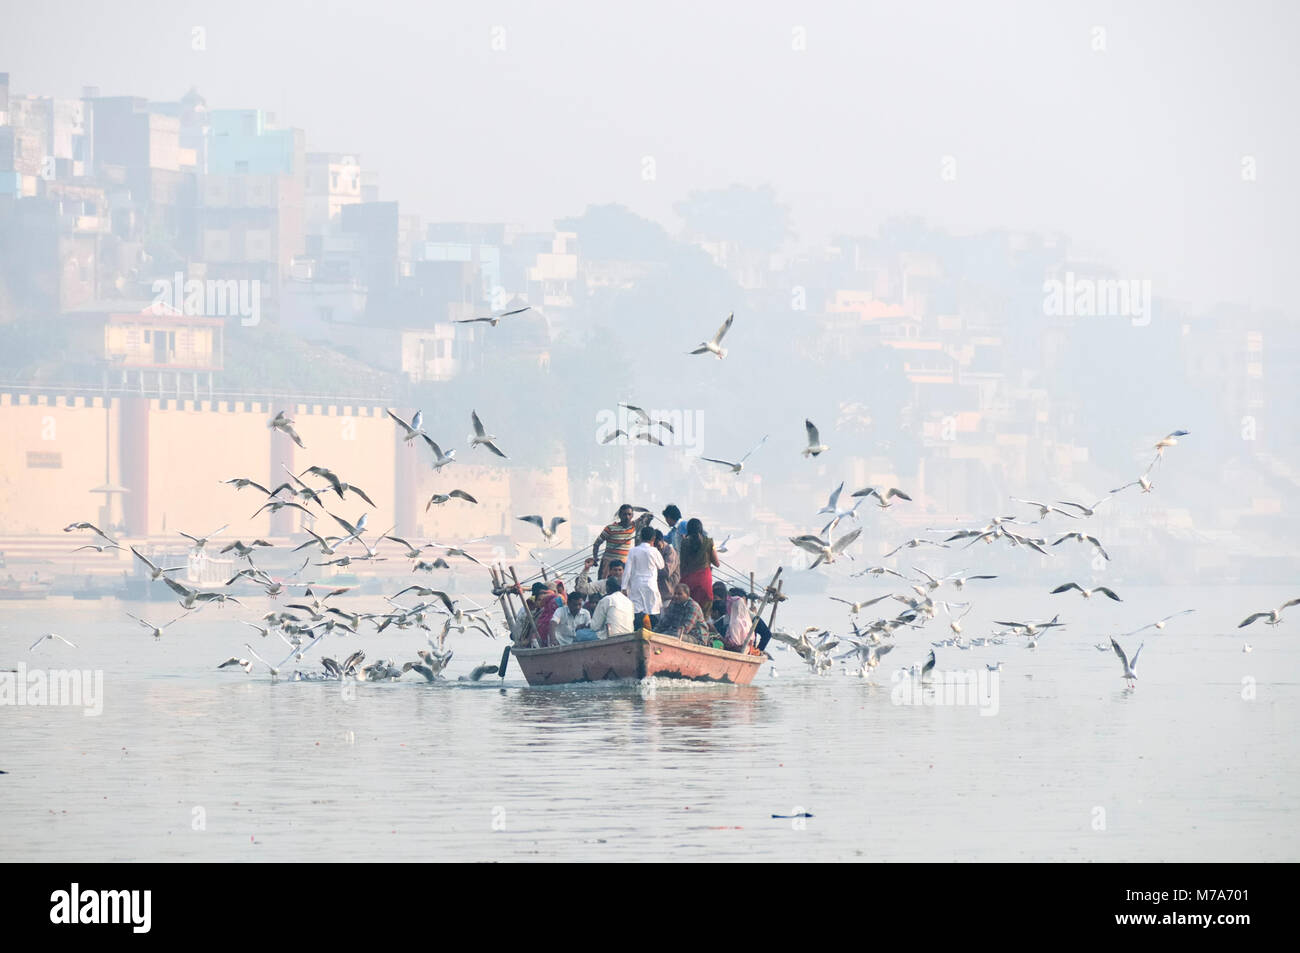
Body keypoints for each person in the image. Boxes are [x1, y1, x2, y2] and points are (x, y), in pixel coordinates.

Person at [623, 526, 665, 627]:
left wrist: (624, 587)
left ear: (640, 537)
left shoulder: (633, 551)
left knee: (637, 613)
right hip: (651, 586)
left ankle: (638, 633)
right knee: (653, 613)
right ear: (653, 539)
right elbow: (661, 565)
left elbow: (627, 570)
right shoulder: (654, 551)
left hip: (636, 585)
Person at [679, 518, 720, 618]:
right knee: (703, 617)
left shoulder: (684, 543)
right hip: (704, 583)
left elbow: (682, 565)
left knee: (688, 614)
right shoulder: (709, 542)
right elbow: (717, 563)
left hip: (688, 584)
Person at [594, 504, 637, 580]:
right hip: (608, 564)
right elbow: (597, 544)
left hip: (623, 564)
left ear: (632, 515)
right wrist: (595, 558)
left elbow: (645, 518)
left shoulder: (633, 526)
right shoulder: (610, 528)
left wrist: (649, 516)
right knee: (604, 585)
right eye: (624, 514)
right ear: (620, 515)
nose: (627, 517)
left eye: (629, 514)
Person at [654, 529, 680, 605]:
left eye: (657, 545)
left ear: (661, 540)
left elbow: (666, 572)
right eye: (654, 545)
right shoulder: (652, 551)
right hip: (657, 593)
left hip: (668, 592)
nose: (656, 548)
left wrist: (650, 571)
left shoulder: (670, 551)